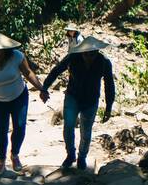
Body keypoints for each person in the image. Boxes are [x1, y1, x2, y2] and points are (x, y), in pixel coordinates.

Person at [40, 34, 114, 171]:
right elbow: (57, 70)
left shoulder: (104, 62)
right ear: (82, 52)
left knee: (86, 132)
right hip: (72, 96)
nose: (89, 57)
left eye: (92, 54)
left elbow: (109, 84)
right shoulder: (73, 58)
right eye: (86, 54)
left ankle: (82, 157)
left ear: (97, 52)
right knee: (68, 126)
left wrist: (109, 106)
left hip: (91, 100)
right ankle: (70, 154)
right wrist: (45, 87)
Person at [0, 32, 45, 175]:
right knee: (1, 131)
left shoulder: (17, 56)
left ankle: (15, 155)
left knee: (19, 126)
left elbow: (28, 72)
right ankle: (1, 161)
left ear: (6, 49)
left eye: (0, 49)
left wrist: (41, 88)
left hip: (19, 96)